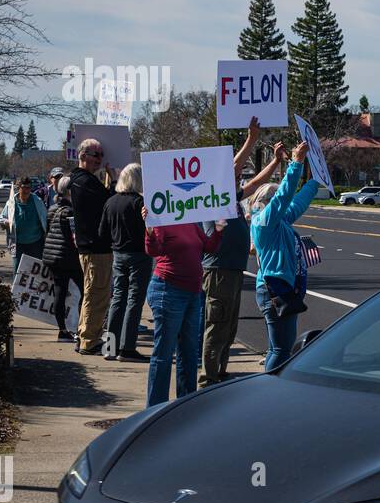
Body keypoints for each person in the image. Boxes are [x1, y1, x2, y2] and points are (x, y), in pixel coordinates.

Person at [199, 120, 279, 388]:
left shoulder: (230, 197)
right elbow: (232, 167)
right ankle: (208, 376)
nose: (237, 177)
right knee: (217, 323)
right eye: (232, 176)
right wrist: (252, 139)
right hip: (218, 269)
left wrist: (276, 162)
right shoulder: (212, 196)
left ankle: (220, 371)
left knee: (229, 325)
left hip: (232, 269)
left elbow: (258, 182)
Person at [143, 203, 223, 406]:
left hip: (192, 293)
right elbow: (153, 250)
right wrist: (149, 229)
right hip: (168, 291)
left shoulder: (190, 221)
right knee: (164, 353)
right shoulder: (162, 220)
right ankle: (155, 409)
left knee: (188, 353)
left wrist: (219, 231)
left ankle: (186, 405)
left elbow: (209, 247)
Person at [249, 141, 318, 370]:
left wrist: (316, 181)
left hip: (280, 287)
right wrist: (296, 163)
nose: (281, 203)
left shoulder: (278, 221)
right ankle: (268, 392)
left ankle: (267, 389)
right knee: (282, 350)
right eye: (276, 199)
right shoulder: (264, 222)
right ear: (267, 203)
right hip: (275, 289)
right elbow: (285, 197)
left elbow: (296, 203)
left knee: (275, 348)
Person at [68, 139, 116, 356]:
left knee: (92, 292)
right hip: (95, 248)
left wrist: (106, 178)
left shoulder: (81, 180)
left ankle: (84, 336)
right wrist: (114, 180)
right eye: (95, 155)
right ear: (82, 155)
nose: (99, 159)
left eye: (101, 154)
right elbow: (109, 202)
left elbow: (101, 199)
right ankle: (89, 341)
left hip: (91, 246)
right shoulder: (84, 181)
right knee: (97, 294)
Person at [100, 163, 151, 362]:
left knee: (117, 299)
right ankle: (127, 348)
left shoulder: (110, 202)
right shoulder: (140, 203)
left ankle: (110, 347)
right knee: (134, 300)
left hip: (118, 253)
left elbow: (102, 233)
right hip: (139, 254)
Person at [42, 176, 82, 341]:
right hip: (68, 258)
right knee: (86, 290)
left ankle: (62, 330)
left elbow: (48, 229)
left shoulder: (52, 208)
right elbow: (75, 237)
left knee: (59, 292)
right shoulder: (71, 212)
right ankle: (81, 327)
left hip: (52, 256)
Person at [0, 178, 47, 276]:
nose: (26, 191)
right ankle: (16, 292)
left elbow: (45, 220)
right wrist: (6, 222)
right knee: (18, 272)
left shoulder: (37, 201)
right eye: (24, 188)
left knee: (34, 274)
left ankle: (33, 292)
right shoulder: (11, 203)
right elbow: (0, 220)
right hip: (18, 243)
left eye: (29, 188)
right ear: (18, 188)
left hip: (35, 243)